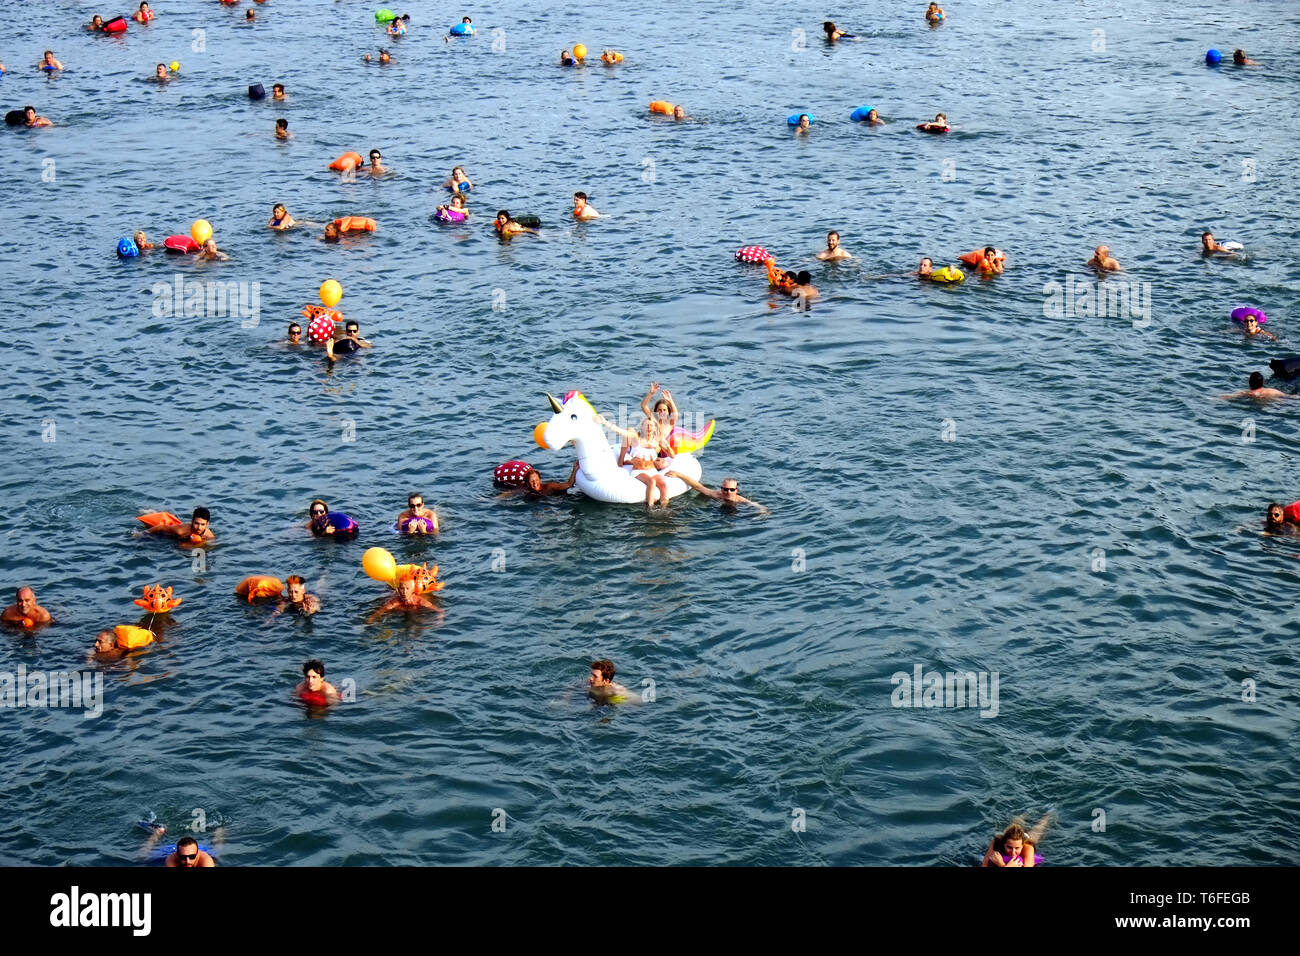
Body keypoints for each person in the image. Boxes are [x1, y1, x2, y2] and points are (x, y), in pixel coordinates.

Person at [612, 418, 671, 510]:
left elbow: (672, 455)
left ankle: (664, 509)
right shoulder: (636, 439)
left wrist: (667, 447)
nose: (648, 427)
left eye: (651, 425)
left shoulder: (656, 441)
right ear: (641, 427)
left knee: (664, 485)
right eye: (646, 425)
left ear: (655, 428)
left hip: (652, 470)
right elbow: (621, 431)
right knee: (651, 482)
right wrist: (605, 423)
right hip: (639, 471)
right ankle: (650, 509)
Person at [668, 474, 769, 513]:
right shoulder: (716, 495)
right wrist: (678, 474)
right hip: (716, 511)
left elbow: (761, 507)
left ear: (736, 490)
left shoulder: (740, 500)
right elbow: (698, 486)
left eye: (731, 489)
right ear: (721, 489)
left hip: (735, 514)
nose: (728, 492)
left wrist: (762, 513)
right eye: (725, 489)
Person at [981, 815, 1050, 867]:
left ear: (1022, 846)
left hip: (1025, 839)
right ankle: (1024, 813)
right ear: (1004, 844)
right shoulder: (998, 841)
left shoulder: (1028, 847)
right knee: (1016, 824)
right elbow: (984, 865)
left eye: (1017, 848)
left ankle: (1049, 814)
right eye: (1009, 847)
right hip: (1008, 837)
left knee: (1039, 828)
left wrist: (1001, 864)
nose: (1013, 853)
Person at [369, 574, 437, 620]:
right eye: (402, 588)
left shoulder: (420, 601)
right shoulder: (394, 602)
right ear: (398, 589)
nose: (404, 592)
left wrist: (439, 620)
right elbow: (378, 613)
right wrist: (370, 620)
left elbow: (439, 611)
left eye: (407, 589)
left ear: (413, 590)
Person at [498, 462, 580, 499]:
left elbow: (569, 484)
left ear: (540, 479)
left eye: (536, 480)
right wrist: (495, 499)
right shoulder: (526, 489)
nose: (535, 483)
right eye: (532, 481)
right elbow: (510, 493)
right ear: (527, 482)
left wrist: (575, 469)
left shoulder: (550, 486)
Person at [641, 383, 679, 450]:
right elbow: (643, 406)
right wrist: (651, 393)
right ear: (656, 411)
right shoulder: (653, 418)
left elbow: (675, 414)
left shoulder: (669, 422)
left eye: (664, 410)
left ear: (668, 412)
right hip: (647, 443)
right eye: (659, 410)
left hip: (658, 448)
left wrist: (670, 400)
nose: (662, 412)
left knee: (659, 442)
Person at [145, 507, 215, 543]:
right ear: (192, 521)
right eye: (196, 523)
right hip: (167, 536)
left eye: (202, 524)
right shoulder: (181, 530)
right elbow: (160, 527)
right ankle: (150, 513)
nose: (199, 528)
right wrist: (143, 533)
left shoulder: (209, 536)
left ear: (207, 524)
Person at [1219, 371, 1293, 401]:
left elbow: (1228, 397)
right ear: (1263, 382)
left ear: (1249, 382)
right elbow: (1291, 397)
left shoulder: (1247, 393)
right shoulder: (1273, 391)